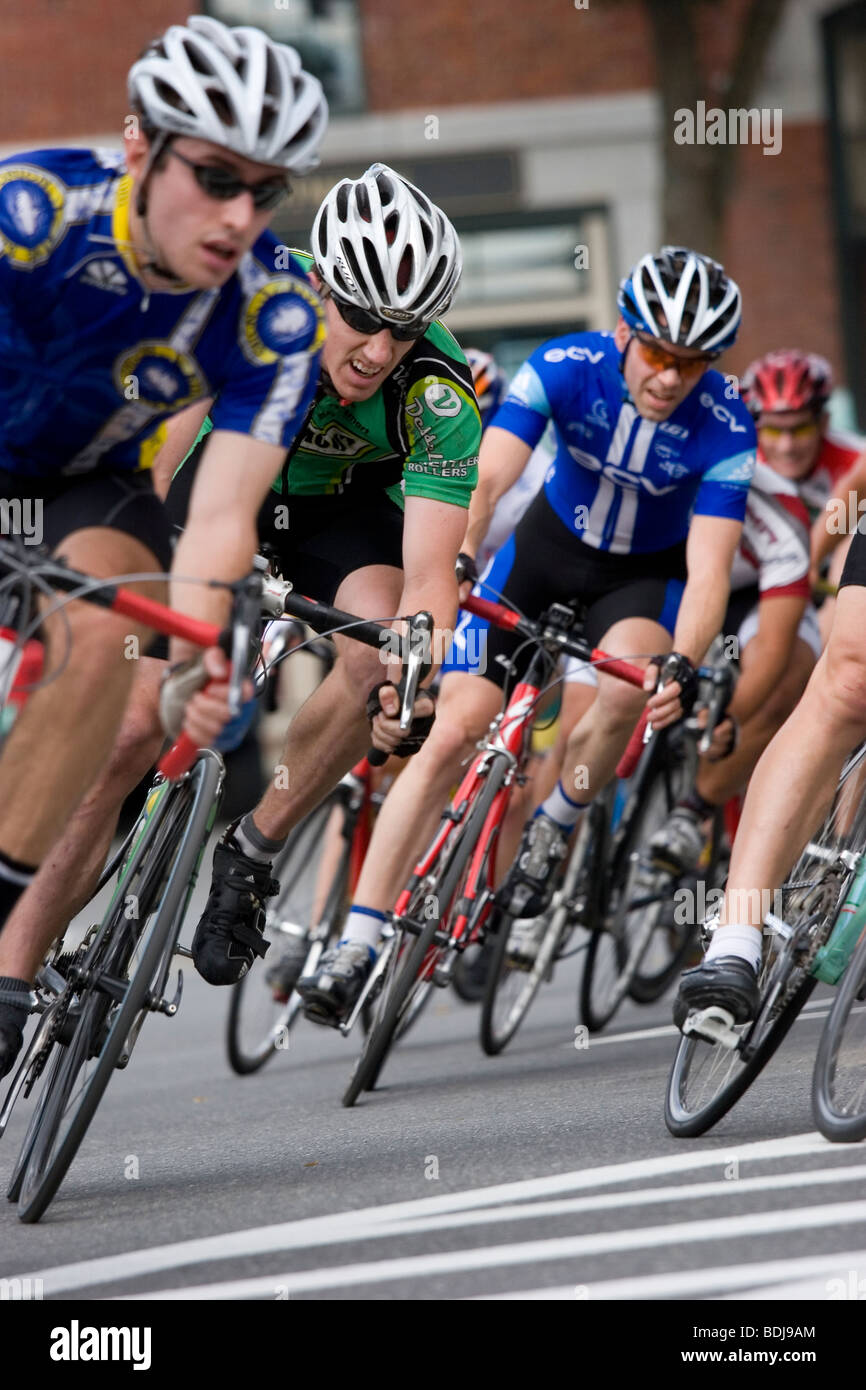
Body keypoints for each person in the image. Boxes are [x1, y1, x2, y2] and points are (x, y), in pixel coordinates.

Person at [0, 165, 480, 1041]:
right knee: (130, 732)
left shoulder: (439, 393)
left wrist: (417, 674)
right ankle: (15, 972)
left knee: (377, 650)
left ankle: (255, 849)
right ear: (321, 283)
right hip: (219, 479)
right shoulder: (257, 304)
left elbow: (427, 582)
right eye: (364, 317)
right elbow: (158, 457)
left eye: (403, 331)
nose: (378, 351)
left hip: (337, 516)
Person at [298, 245, 757, 1025]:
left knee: (625, 689)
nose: (670, 376)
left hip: (640, 580)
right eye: (657, 352)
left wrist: (684, 658)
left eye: (692, 362)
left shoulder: (726, 424)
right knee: (452, 732)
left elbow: (710, 570)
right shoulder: (565, 365)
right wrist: (467, 555)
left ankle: (556, 826)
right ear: (623, 332)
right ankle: (358, 940)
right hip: (540, 556)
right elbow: (488, 479)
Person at [0, 13, 329, 1077]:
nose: (240, 214)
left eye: (265, 189)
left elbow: (225, 513)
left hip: (86, 488)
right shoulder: (33, 212)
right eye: (217, 175)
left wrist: (195, 656)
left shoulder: (272, 316)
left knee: (116, 653)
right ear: (140, 144)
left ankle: (5, 947)